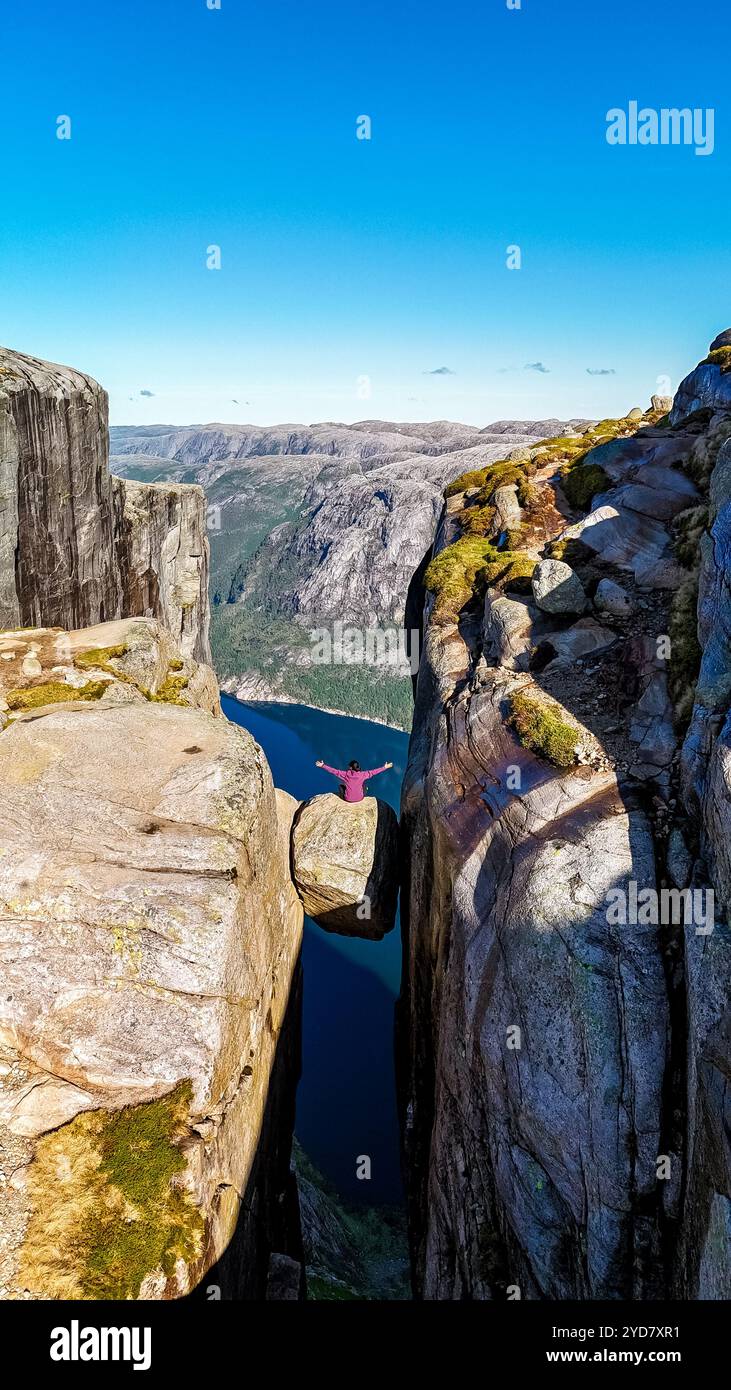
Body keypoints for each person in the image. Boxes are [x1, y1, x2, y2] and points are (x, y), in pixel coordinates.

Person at [315, 757, 393, 803]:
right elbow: (374, 772)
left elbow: (334, 771)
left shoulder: (346, 774)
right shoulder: (363, 775)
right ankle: (361, 791)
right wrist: (385, 767)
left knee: (340, 786)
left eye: (349, 767)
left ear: (351, 768)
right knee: (365, 786)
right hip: (360, 799)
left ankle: (348, 795)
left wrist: (323, 765)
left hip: (347, 799)